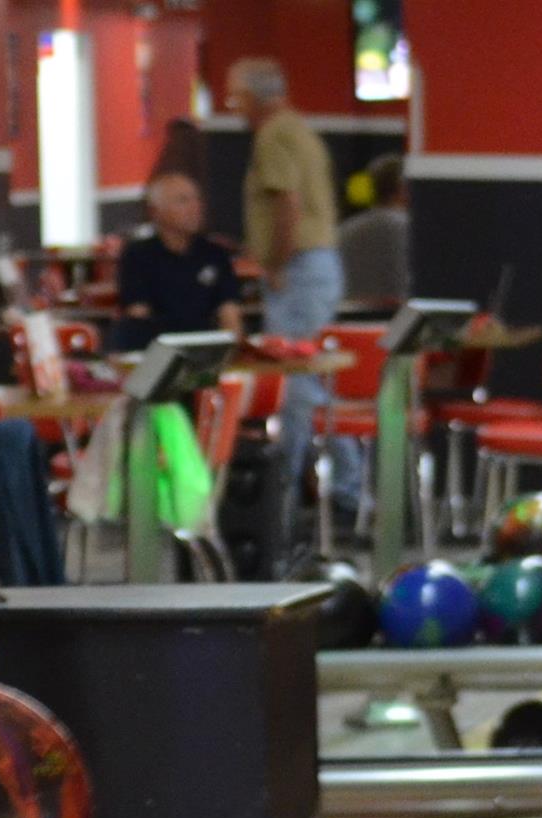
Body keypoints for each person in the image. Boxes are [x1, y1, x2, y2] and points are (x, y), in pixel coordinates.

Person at [225, 57, 353, 520]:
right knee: (315, 378)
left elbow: (287, 202)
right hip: (320, 264)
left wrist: (275, 262)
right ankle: (347, 488)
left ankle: (285, 495)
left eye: (235, 95)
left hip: (298, 268)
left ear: (256, 96)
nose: (232, 105)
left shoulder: (273, 134)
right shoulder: (300, 129)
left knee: (296, 384)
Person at [111, 172, 244, 352]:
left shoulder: (214, 254)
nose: (194, 207)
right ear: (155, 211)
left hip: (205, 349)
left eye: (197, 199)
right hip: (158, 351)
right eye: (183, 201)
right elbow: (138, 315)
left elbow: (230, 313)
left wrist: (231, 353)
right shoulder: (138, 255)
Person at [337, 152, 410, 306]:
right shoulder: (411, 231)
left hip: (349, 316)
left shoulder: (344, 230)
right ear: (402, 188)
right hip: (400, 319)